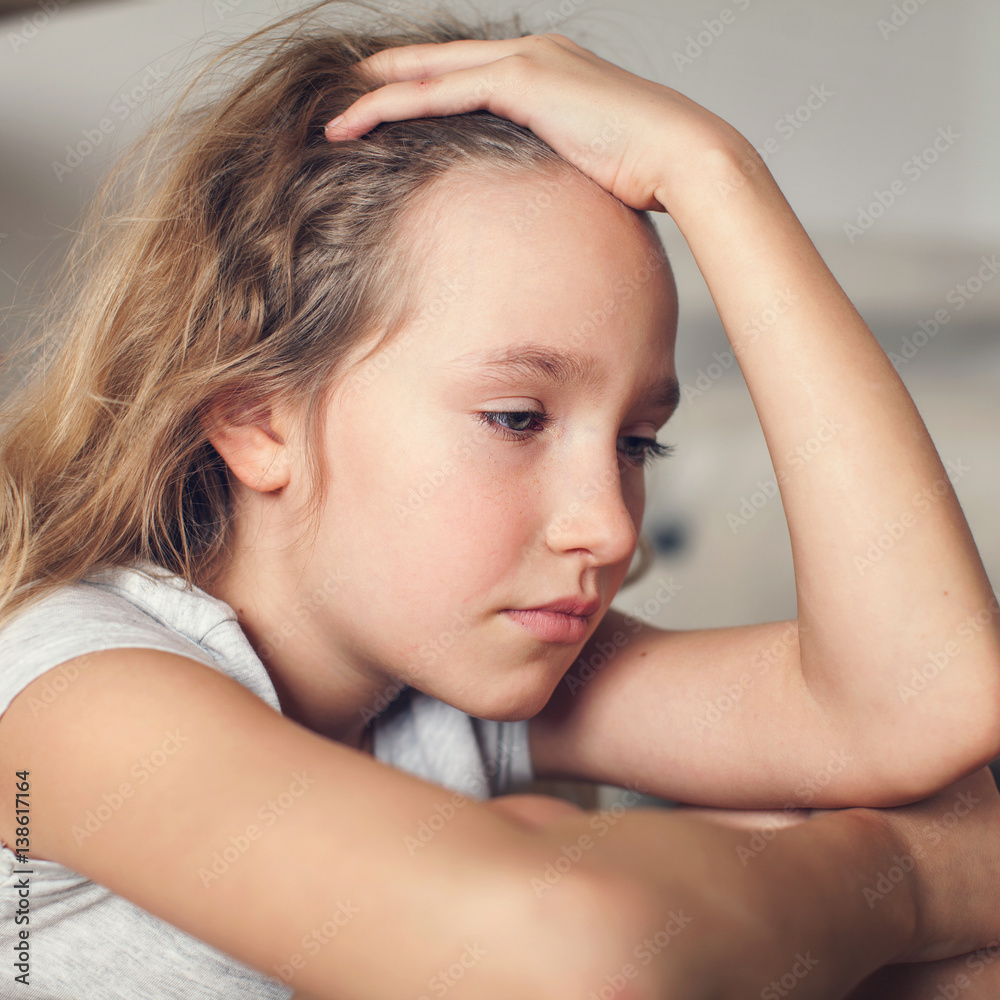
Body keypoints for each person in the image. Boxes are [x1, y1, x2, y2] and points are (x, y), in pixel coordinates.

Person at [0, 2, 998, 998]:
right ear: (259, 418)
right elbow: (565, 953)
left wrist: (712, 173)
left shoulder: (439, 675)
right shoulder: (64, 691)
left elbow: (920, 700)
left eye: (637, 441)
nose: (607, 526)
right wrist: (900, 879)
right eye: (517, 418)